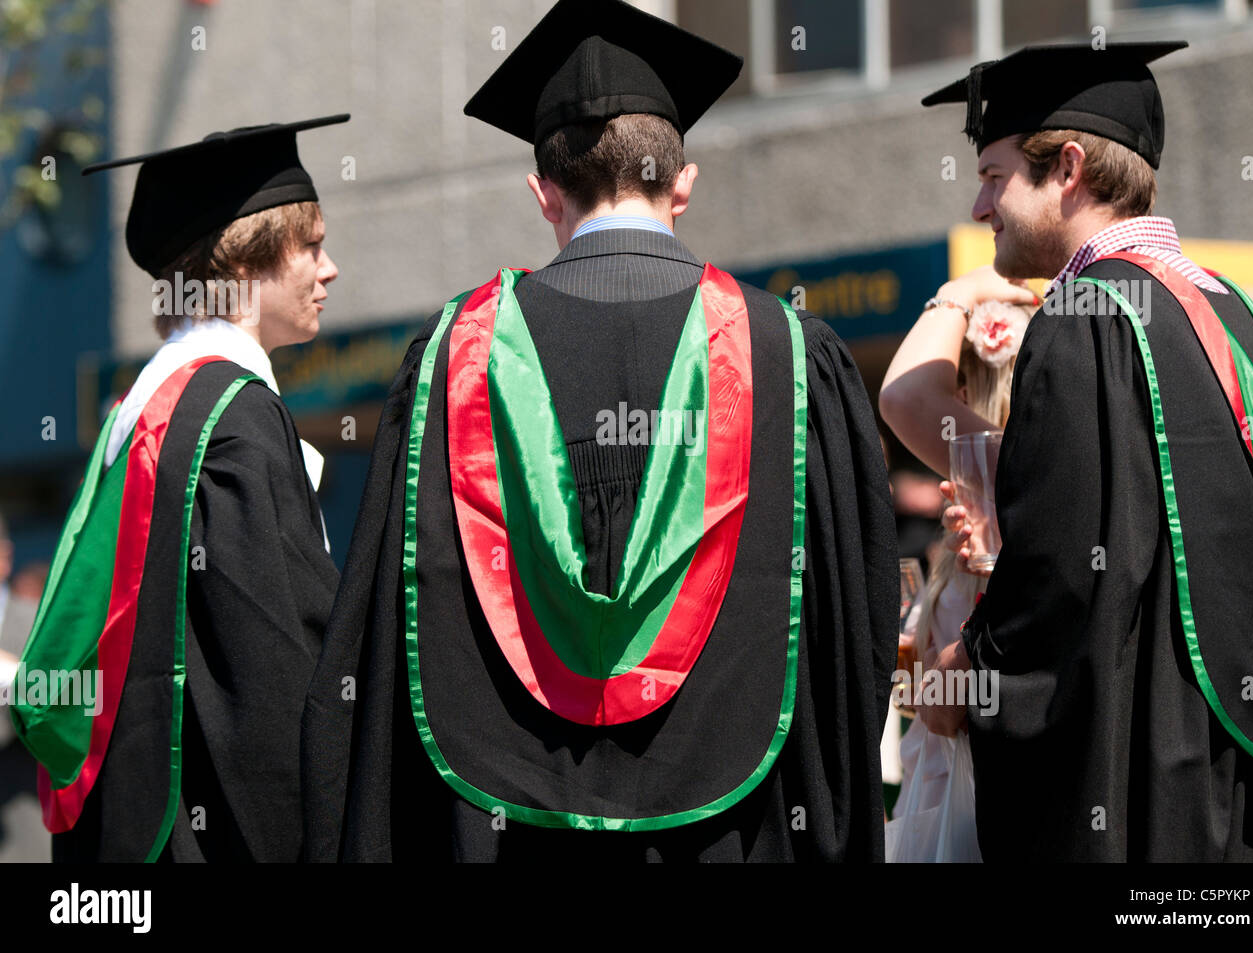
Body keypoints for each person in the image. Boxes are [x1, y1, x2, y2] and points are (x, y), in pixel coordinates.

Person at [302, 0, 899, 862]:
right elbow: (860, 626)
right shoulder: (792, 354)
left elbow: (383, 639)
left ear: (543, 189)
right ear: (682, 182)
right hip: (739, 833)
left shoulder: (452, 359)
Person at [920, 42, 1253, 861]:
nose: (979, 206)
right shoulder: (1242, 317)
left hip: (1155, 785)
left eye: (992, 177)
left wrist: (968, 668)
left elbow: (1059, 578)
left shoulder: (1088, 319)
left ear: (1067, 168)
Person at [10, 116, 346, 861]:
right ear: (248, 257)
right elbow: (273, 668)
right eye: (312, 244)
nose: (330, 269)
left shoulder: (149, 407)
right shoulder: (234, 419)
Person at [879, 277, 1032, 862]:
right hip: (947, 792)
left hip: (964, 804)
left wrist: (957, 292)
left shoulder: (1000, 472)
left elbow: (903, 397)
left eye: (958, 389)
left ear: (968, 393)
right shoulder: (976, 517)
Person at [0, 510, 47, 862]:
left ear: (5, 557)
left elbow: (89, 697)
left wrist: (13, 679)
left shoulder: (41, 626)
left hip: (20, 838)